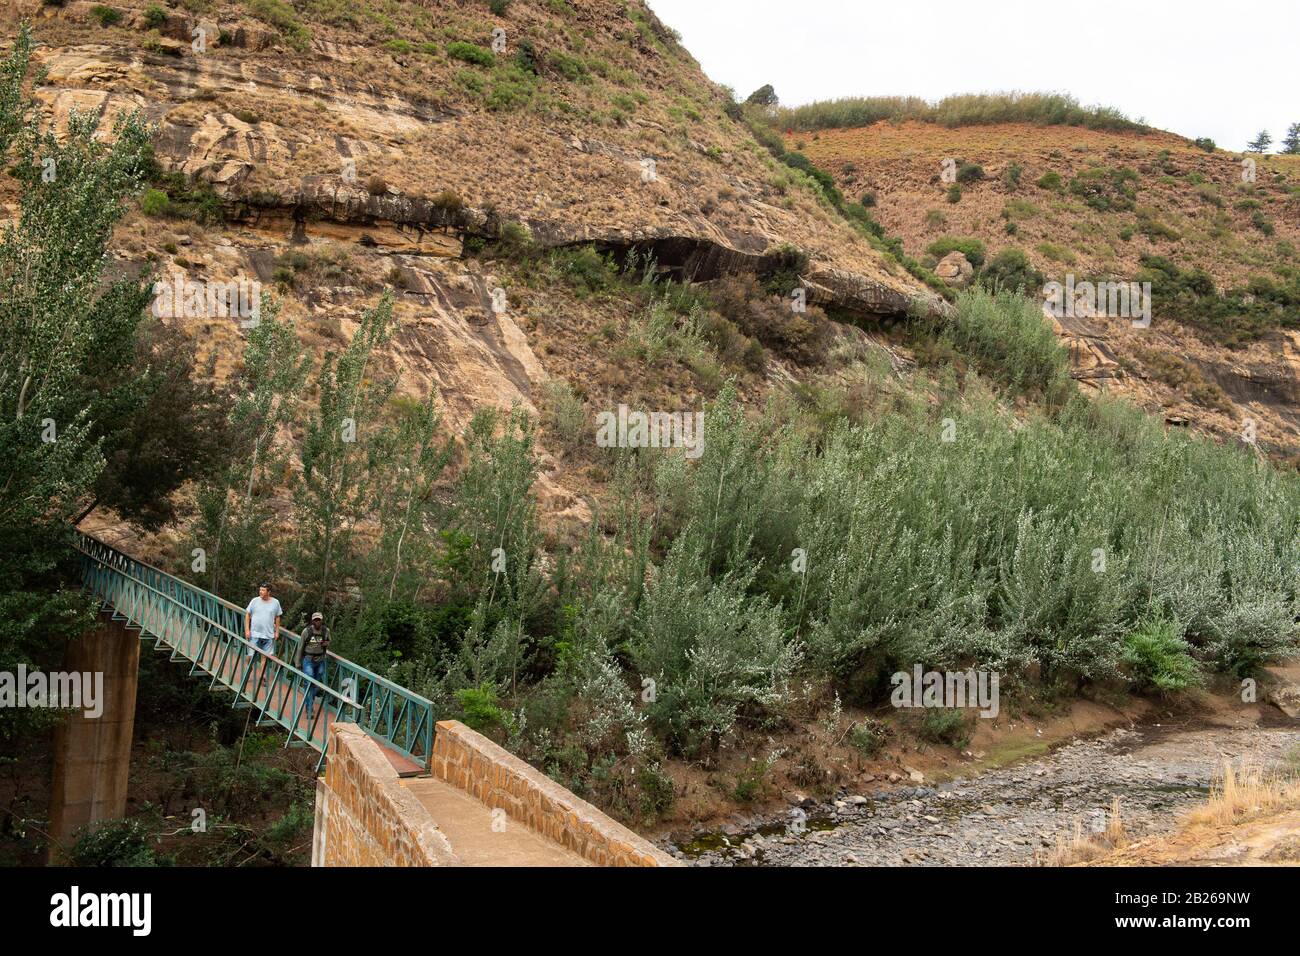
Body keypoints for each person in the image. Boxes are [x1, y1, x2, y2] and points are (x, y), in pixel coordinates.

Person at [244, 583, 282, 688]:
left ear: (269, 592)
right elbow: (247, 614)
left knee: (265, 657)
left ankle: (262, 677)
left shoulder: (275, 603)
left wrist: (277, 631)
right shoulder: (254, 601)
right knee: (251, 655)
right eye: (260, 590)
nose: (260, 592)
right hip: (255, 633)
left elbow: (278, 617)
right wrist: (247, 629)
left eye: (263, 590)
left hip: (268, 634)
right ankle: (248, 668)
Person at [298, 611, 330, 719]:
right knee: (309, 682)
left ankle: (309, 701)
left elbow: (329, 641)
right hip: (308, 659)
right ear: (312, 620)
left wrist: (326, 643)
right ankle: (310, 708)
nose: (317, 621)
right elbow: (300, 647)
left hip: (320, 659)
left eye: (319, 619)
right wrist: (298, 662)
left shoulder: (326, 631)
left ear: (322, 620)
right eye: (315, 619)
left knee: (315, 684)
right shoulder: (306, 632)